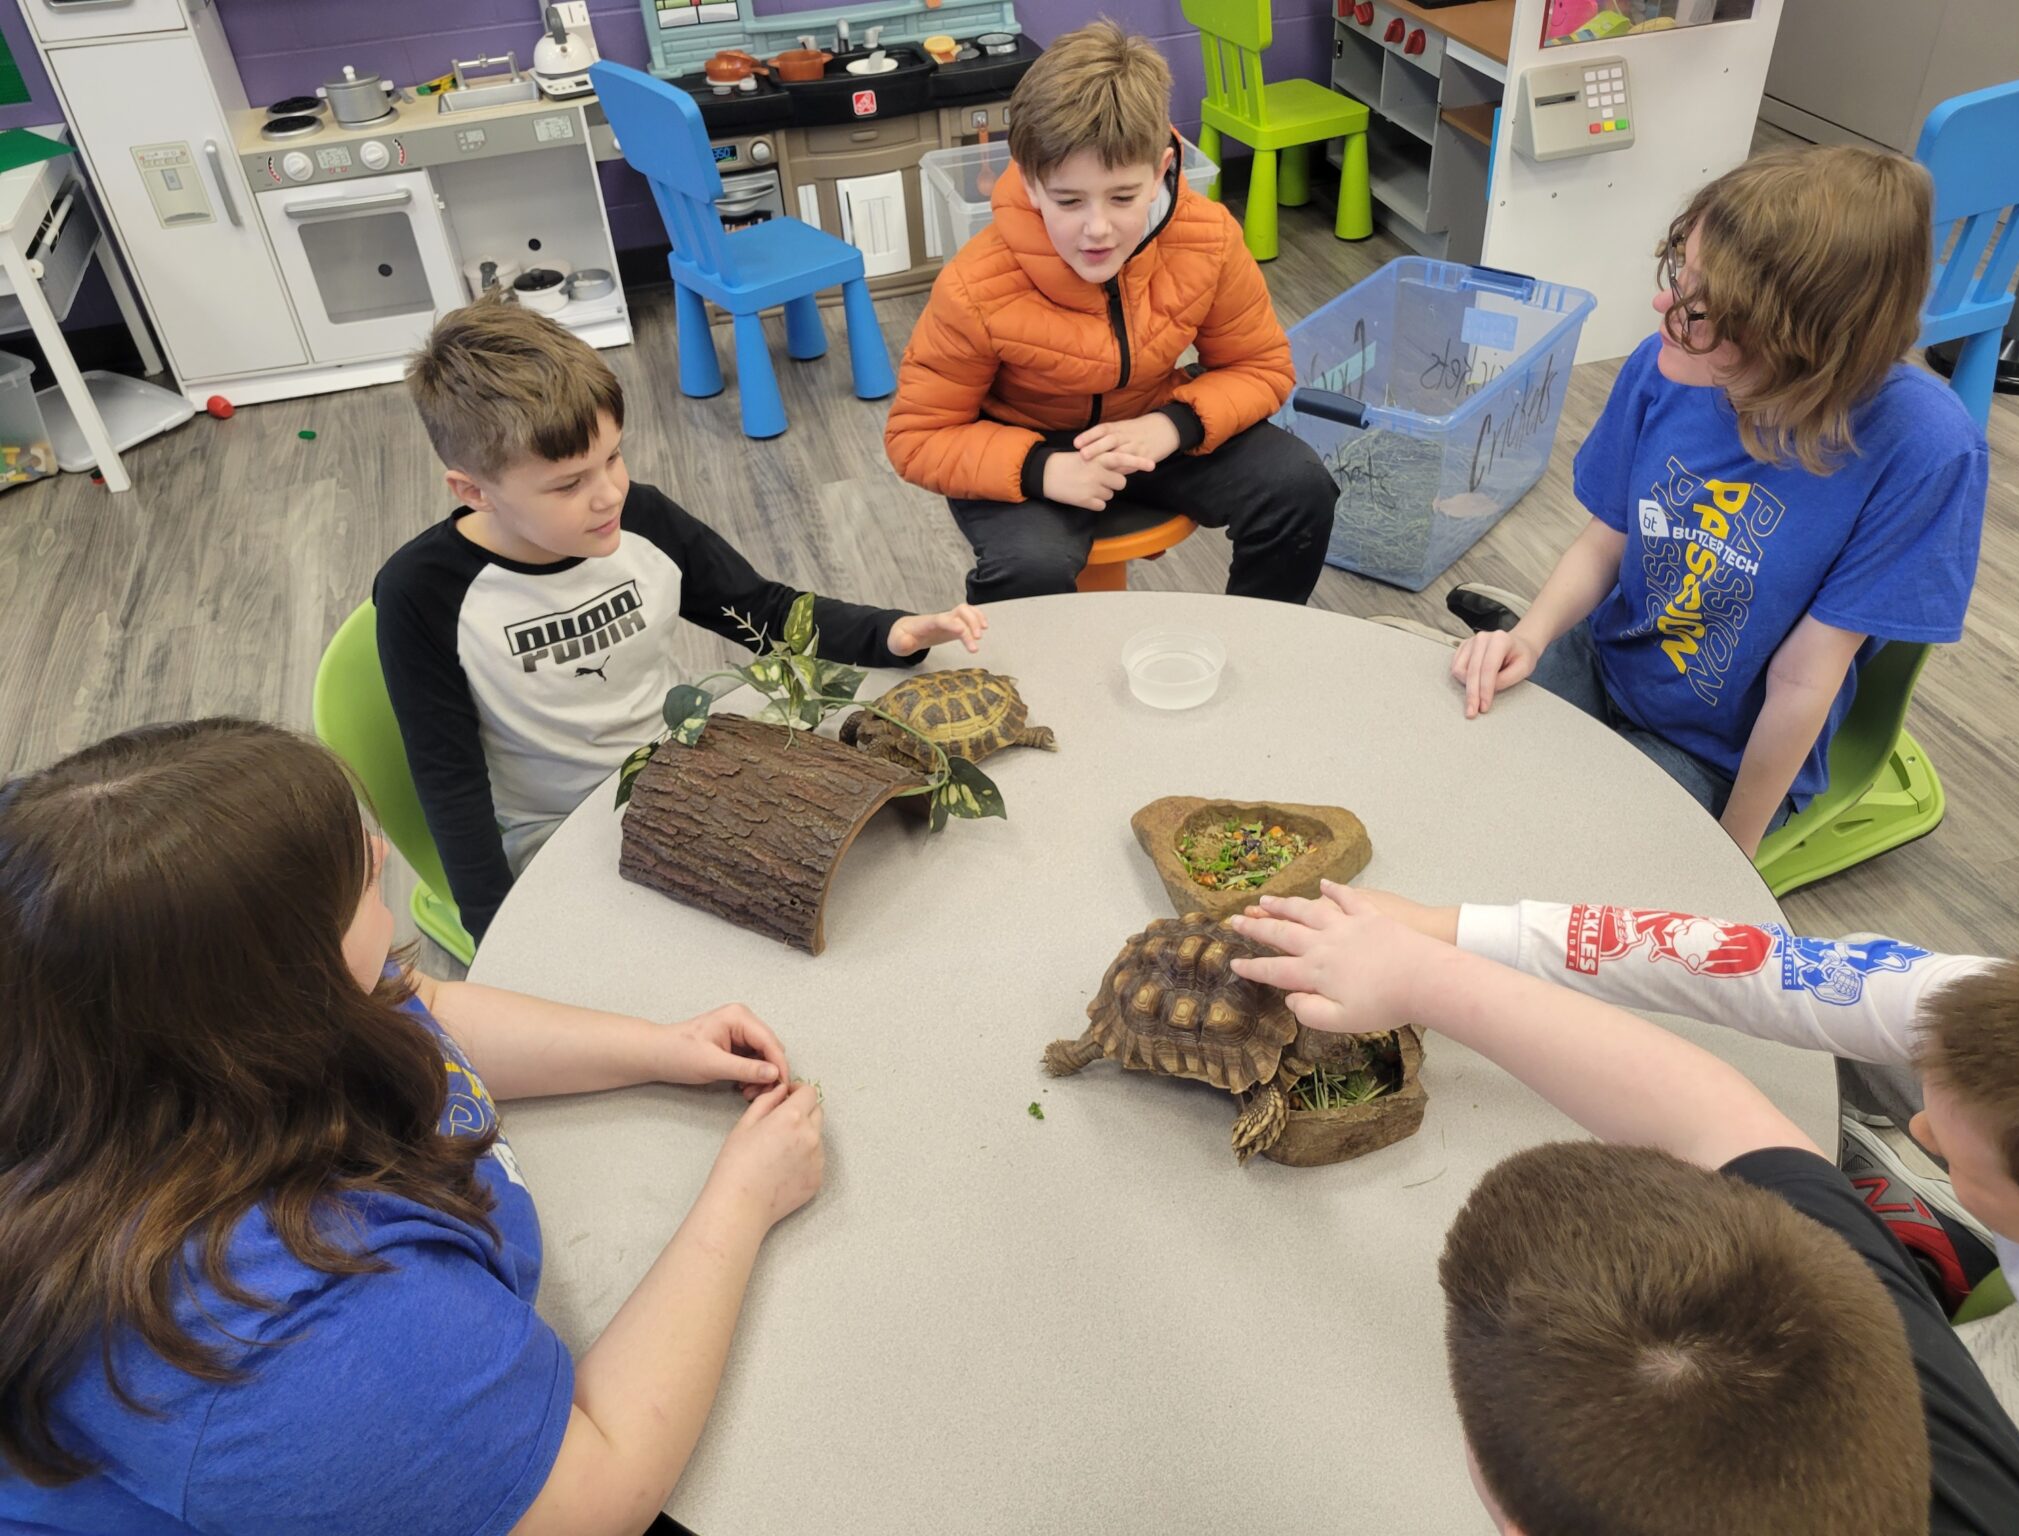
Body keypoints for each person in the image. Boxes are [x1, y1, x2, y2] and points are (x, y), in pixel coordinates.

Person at [0, 719, 821, 1536]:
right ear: (274, 1002)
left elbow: (412, 1004)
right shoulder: (300, 1344)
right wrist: (741, 1201)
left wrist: (657, 1046)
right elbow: (593, 1492)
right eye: (353, 880)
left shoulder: (133, 1044)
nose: (382, 855)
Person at [1232, 883, 2019, 1534]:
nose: (1919, 1125)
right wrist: (1427, 966)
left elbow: (1713, 1118)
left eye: (1956, 1150)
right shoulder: (1925, 1424)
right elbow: (1710, 1103)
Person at [378, 299, 987, 941]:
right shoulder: (422, 593)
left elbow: (762, 608)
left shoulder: (641, 517)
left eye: (613, 457)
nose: (609, 493)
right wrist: (494, 931)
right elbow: (449, 782)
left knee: (867, 869)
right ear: (473, 491)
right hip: (559, 831)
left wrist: (890, 633)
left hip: (693, 767)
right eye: (567, 484)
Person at [1446, 146, 1986, 857]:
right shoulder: (1663, 368)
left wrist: (1731, 856)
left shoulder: (1922, 444)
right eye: (1680, 275)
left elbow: (1802, 680)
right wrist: (1532, 636)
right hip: (1610, 661)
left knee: (1560, 856)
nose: (1664, 305)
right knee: (1455, 772)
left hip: (1718, 752)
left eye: (1699, 306)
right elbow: (1606, 539)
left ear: (1800, 341)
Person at [1344, 888, 2019, 1318]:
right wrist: (1454, 931)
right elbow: (1736, 966)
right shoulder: (1983, 1003)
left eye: (1956, 1157)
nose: (1918, 1128)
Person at [883, 20, 1336, 604]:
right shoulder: (974, 284)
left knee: (1299, 488)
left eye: (1123, 197)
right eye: (1068, 201)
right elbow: (918, 437)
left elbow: (1262, 367)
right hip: (1026, 451)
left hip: (1150, 426)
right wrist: (1041, 469)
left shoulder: (1210, 238)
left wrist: (1171, 427)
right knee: (1032, 570)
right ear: (1029, 182)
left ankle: (1253, 645)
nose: (1097, 229)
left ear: (1162, 172)